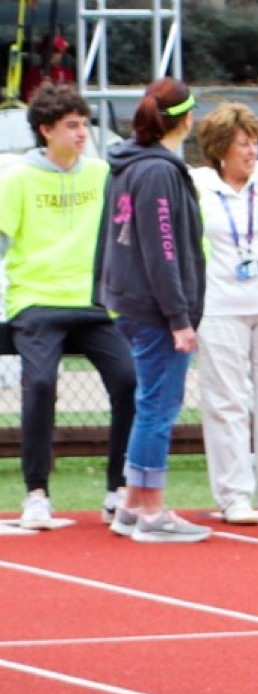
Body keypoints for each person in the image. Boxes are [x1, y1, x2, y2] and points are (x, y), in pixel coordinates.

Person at [1, 83, 136, 531]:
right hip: (36, 302)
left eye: (84, 123)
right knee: (39, 384)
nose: (82, 133)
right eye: (71, 125)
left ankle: (119, 489)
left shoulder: (102, 173)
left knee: (130, 379)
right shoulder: (17, 177)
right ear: (46, 131)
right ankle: (36, 493)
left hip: (95, 304)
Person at [96, 78, 209, 543]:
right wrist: (179, 317)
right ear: (184, 117)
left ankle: (132, 503)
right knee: (158, 408)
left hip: (131, 301)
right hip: (153, 308)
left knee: (152, 404)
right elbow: (162, 250)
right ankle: (152, 510)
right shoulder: (159, 171)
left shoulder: (128, 164)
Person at [191, 104, 258, 526]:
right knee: (226, 401)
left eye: (254, 141)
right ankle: (235, 495)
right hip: (220, 304)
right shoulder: (198, 184)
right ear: (220, 149)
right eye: (242, 144)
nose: (251, 151)